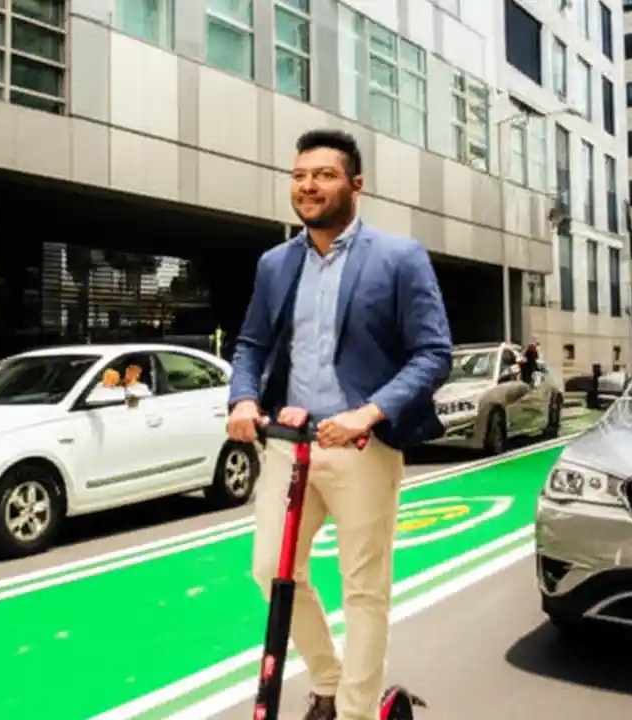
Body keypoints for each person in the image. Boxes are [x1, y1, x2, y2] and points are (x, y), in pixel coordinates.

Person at [226, 128, 453, 720]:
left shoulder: (399, 258)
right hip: (291, 445)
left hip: (363, 446)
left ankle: (354, 712)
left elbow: (433, 354)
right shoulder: (275, 263)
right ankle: (328, 681)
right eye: (300, 175)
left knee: (364, 589)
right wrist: (244, 399)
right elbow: (251, 344)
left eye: (323, 175)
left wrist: (368, 412)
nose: (308, 186)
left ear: (356, 185)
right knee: (270, 571)